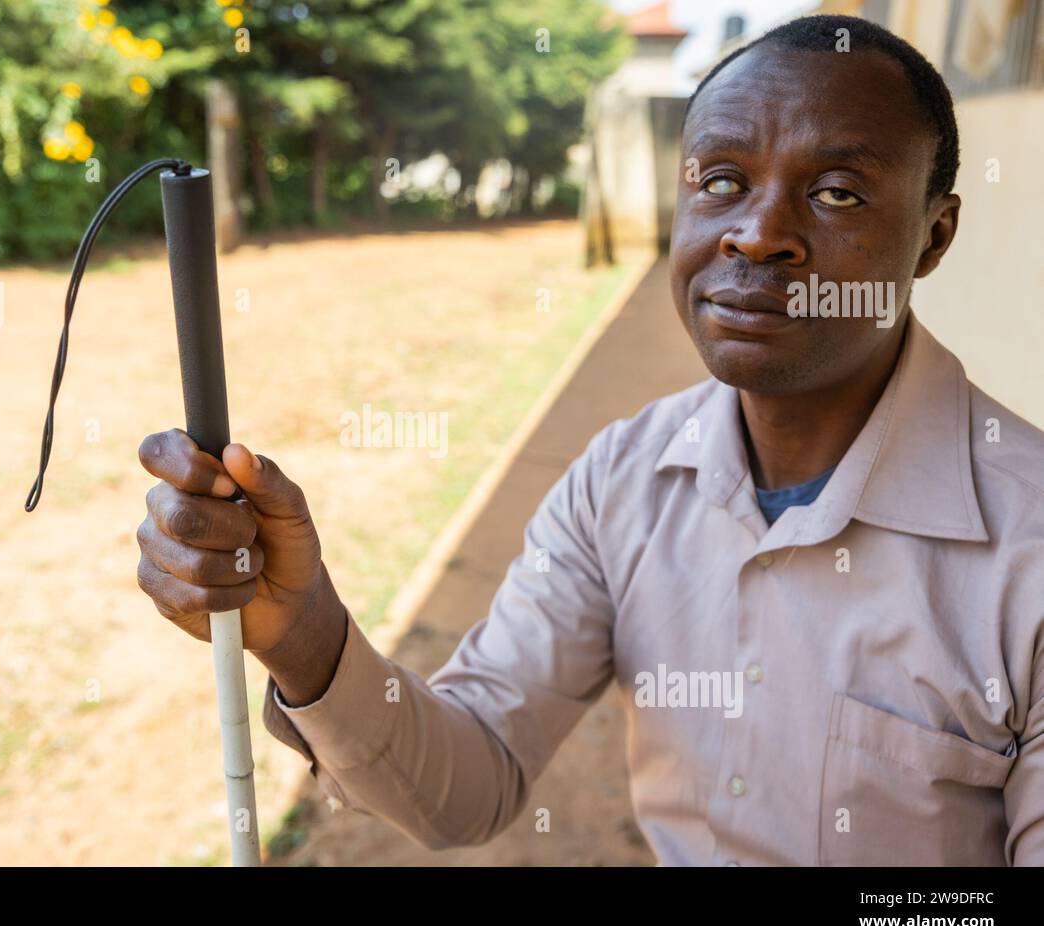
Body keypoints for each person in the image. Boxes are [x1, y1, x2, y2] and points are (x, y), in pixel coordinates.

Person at [134, 15, 1044, 865]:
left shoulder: (1027, 547)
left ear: (934, 236)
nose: (760, 236)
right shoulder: (622, 479)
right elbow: (475, 777)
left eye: (838, 192)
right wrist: (300, 632)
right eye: (721, 182)